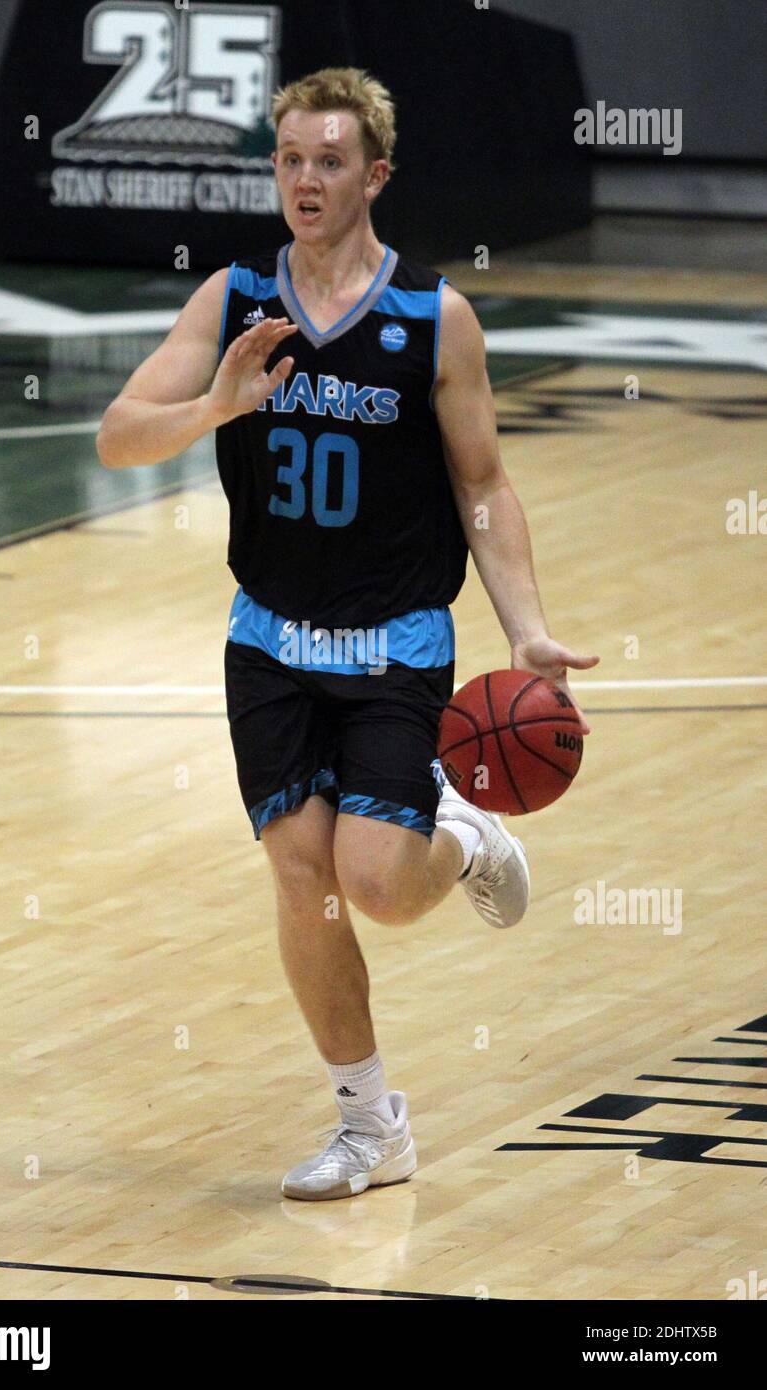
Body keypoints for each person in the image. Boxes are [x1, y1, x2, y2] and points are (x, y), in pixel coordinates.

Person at [97, 67, 599, 1202]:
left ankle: (463, 835)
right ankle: (371, 1127)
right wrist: (216, 407)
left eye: (329, 161)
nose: (306, 180)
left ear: (375, 175)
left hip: (394, 643)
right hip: (269, 642)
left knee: (375, 883)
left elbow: (483, 484)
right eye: (290, 160)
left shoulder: (433, 317)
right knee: (300, 875)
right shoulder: (233, 300)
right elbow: (120, 437)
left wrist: (527, 630)